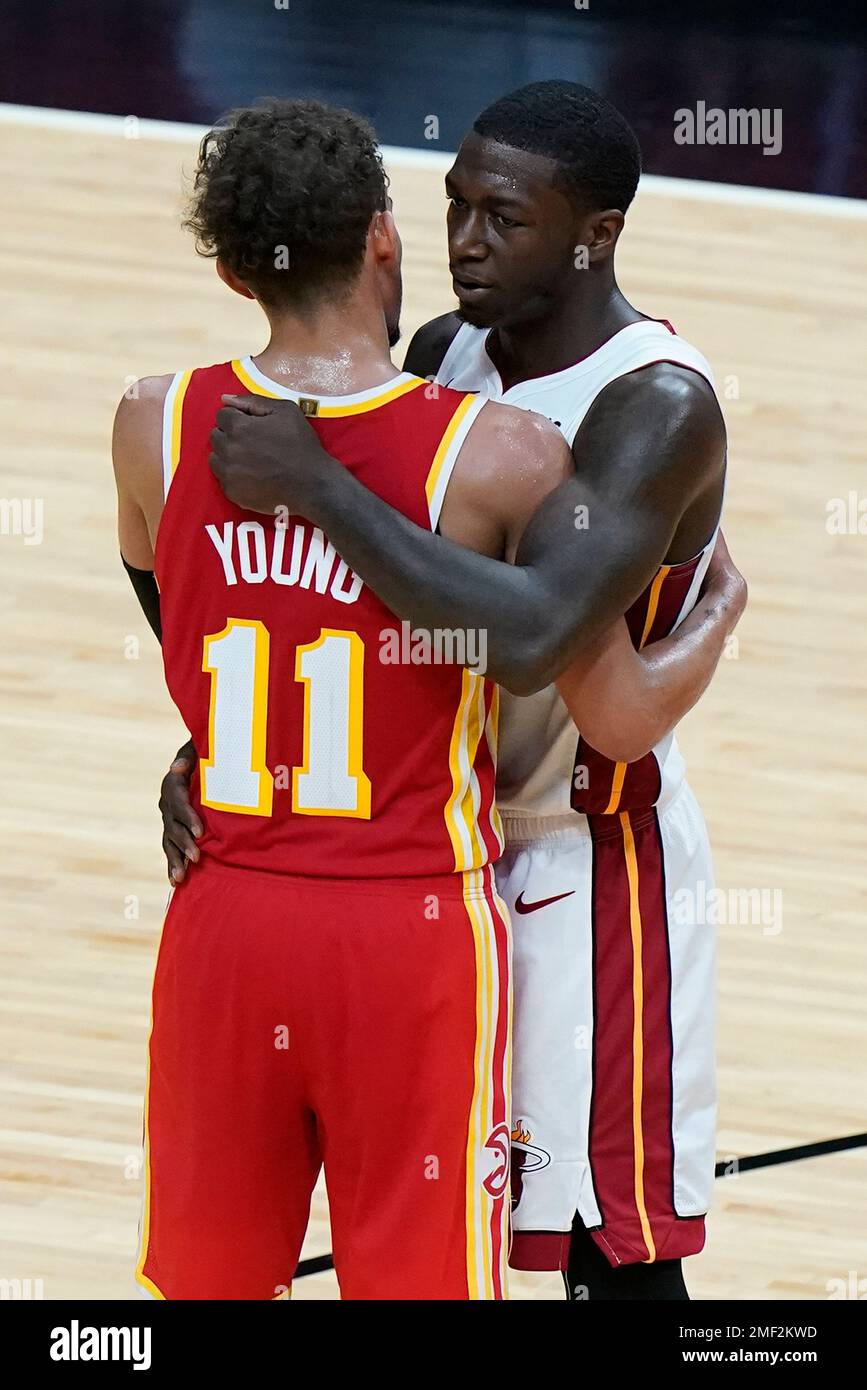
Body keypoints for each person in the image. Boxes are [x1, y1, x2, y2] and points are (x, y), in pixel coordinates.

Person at [116, 97, 741, 1300]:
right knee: (439, 1242)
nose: (465, 239)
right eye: (452, 203)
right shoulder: (445, 358)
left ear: (592, 236)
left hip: (581, 858)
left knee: (607, 1242)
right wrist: (235, 743)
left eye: (504, 218)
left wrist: (716, 618)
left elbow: (544, 651)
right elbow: (337, 615)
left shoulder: (654, 404)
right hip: (414, 853)